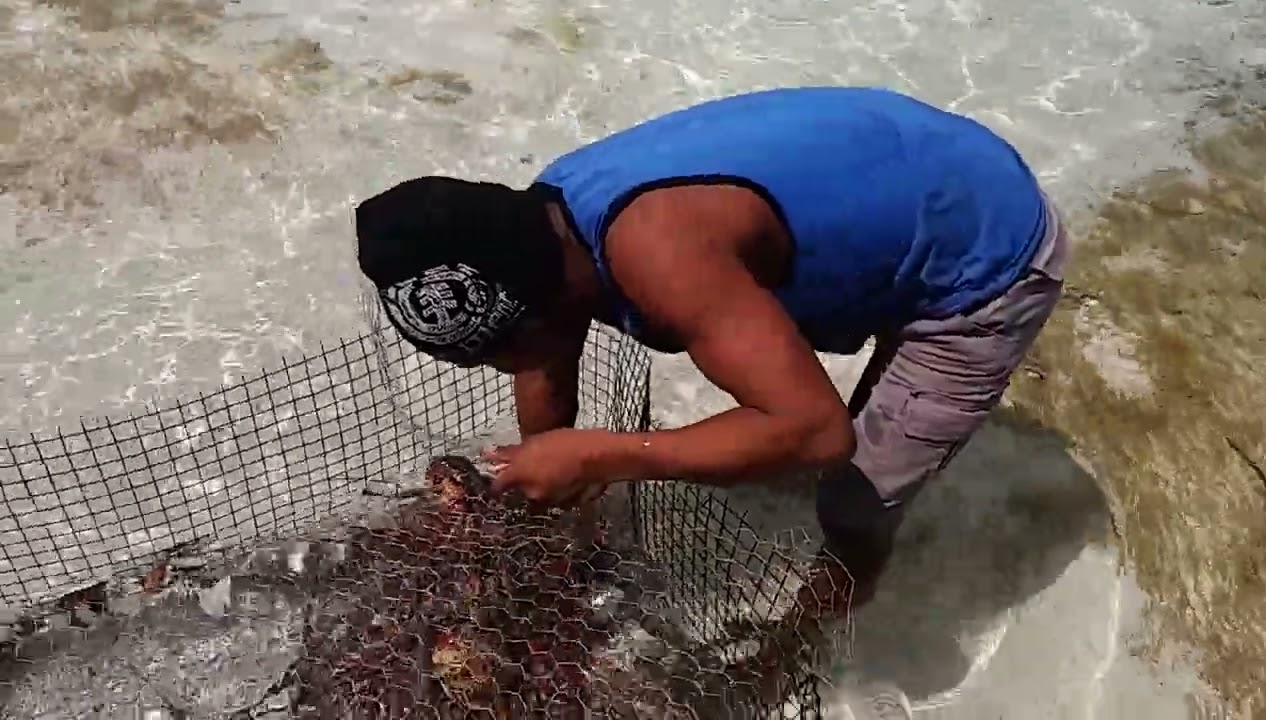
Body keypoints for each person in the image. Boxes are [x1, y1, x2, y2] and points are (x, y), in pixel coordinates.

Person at [354, 85, 1068, 681]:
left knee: (854, 493)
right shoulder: (543, 225)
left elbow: (819, 433)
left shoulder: (659, 254)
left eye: (507, 350)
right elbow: (545, 365)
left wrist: (604, 455)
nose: (508, 370)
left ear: (549, 296)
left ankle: (796, 647)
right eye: (483, 361)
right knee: (771, 408)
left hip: (984, 252)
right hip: (903, 172)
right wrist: (552, 521)